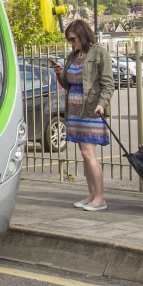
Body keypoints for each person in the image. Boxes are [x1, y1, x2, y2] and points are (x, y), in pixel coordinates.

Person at [49, 19, 114, 211]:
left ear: (83, 35)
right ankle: (92, 194)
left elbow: (108, 83)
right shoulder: (73, 55)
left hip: (90, 109)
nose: (72, 43)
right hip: (74, 110)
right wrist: (60, 72)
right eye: (69, 40)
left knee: (88, 153)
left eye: (73, 39)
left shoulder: (99, 53)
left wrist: (102, 104)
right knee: (85, 155)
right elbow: (69, 83)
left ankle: (100, 198)